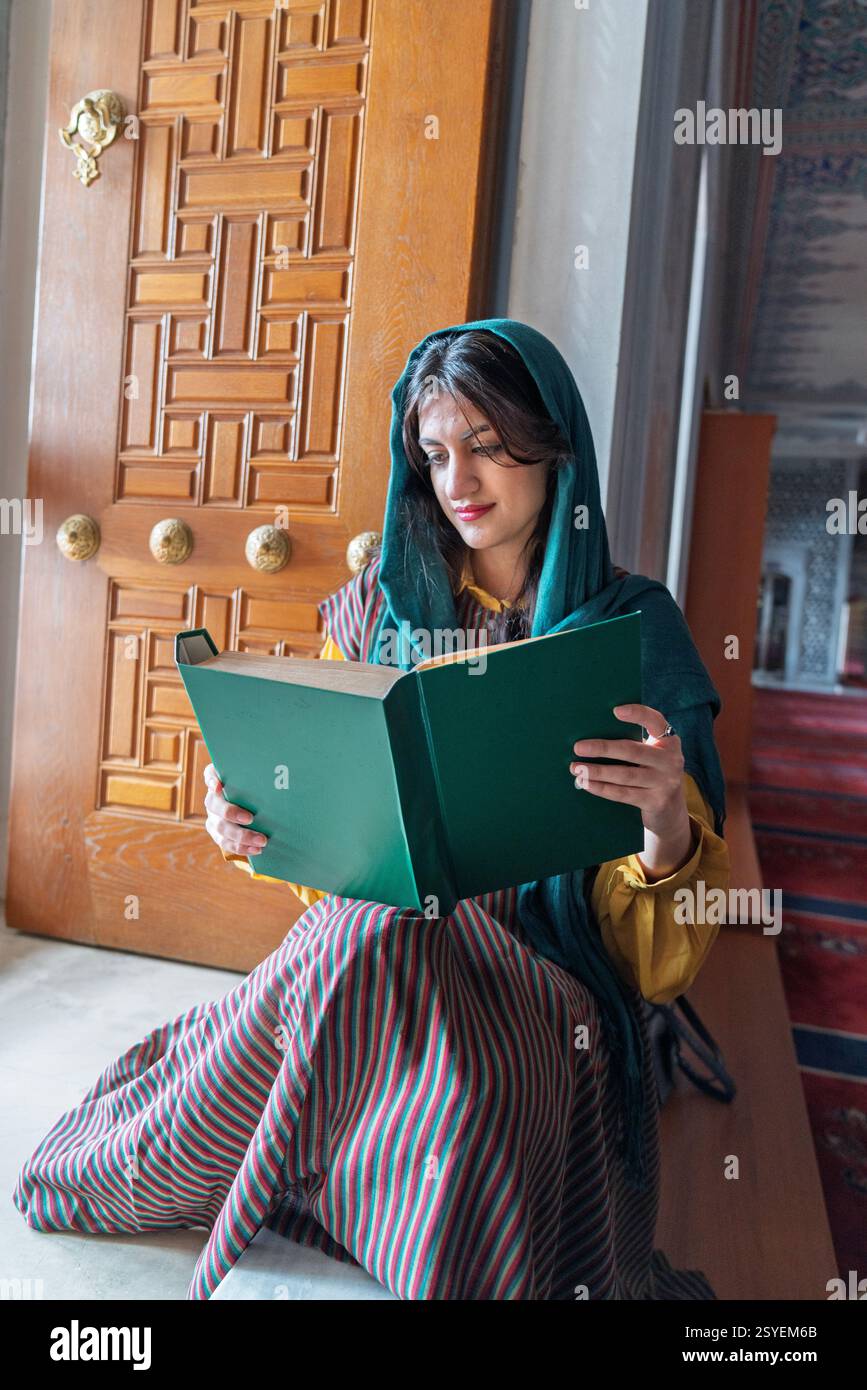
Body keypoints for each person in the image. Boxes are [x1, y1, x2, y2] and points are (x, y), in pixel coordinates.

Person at [13, 318, 729, 1300]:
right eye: (434, 453)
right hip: (379, 945)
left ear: (553, 444)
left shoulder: (631, 635)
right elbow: (342, 865)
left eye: (486, 443)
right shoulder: (379, 616)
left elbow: (658, 965)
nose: (457, 479)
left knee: (390, 993)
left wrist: (663, 833)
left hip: (546, 987)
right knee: (370, 935)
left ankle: (287, 1172)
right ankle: (224, 1166)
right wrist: (260, 823)